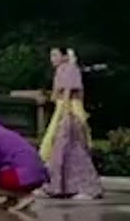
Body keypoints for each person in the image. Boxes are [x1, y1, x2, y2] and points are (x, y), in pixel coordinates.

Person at [38, 47, 103, 200]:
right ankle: (56, 187)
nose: (52, 58)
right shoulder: (62, 69)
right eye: (51, 55)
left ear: (65, 57)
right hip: (62, 109)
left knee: (72, 147)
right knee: (58, 150)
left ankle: (87, 188)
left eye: (55, 55)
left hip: (69, 110)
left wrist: (65, 113)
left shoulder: (70, 68)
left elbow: (68, 91)